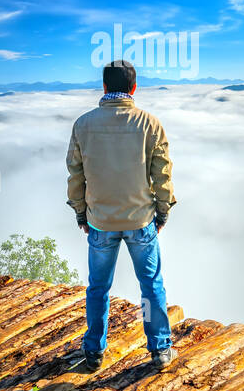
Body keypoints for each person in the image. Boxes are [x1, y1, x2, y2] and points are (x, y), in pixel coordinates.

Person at [65, 59, 176, 372]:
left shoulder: (83, 124)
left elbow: (76, 175)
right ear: (134, 87)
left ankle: (94, 351)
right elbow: (162, 175)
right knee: (151, 286)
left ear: (103, 86)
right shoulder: (149, 124)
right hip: (141, 220)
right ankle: (160, 349)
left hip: (100, 221)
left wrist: (80, 213)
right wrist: (163, 211)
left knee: (98, 287)